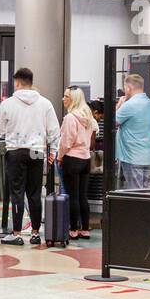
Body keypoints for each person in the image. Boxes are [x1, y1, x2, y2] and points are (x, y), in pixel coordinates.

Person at [0, 67, 60, 246]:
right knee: (35, 193)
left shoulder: (7, 104)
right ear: (31, 82)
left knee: (17, 193)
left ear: (17, 82)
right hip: (36, 151)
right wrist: (53, 151)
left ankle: (16, 233)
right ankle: (36, 233)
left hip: (15, 151)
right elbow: (54, 130)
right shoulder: (45, 103)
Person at [58, 86, 98, 240]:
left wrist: (60, 156)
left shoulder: (70, 118)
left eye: (66, 96)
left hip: (72, 158)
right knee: (82, 195)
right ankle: (85, 228)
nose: (63, 99)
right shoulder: (88, 116)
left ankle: (73, 229)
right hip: (85, 159)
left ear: (73, 99)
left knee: (72, 195)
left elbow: (66, 142)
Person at [114, 73, 150, 190]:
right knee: (145, 190)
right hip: (146, 156)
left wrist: (119, 104)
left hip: (132, 156)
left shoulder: (130, 105)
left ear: (128, 88)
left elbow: (111, 122)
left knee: (135, 192)